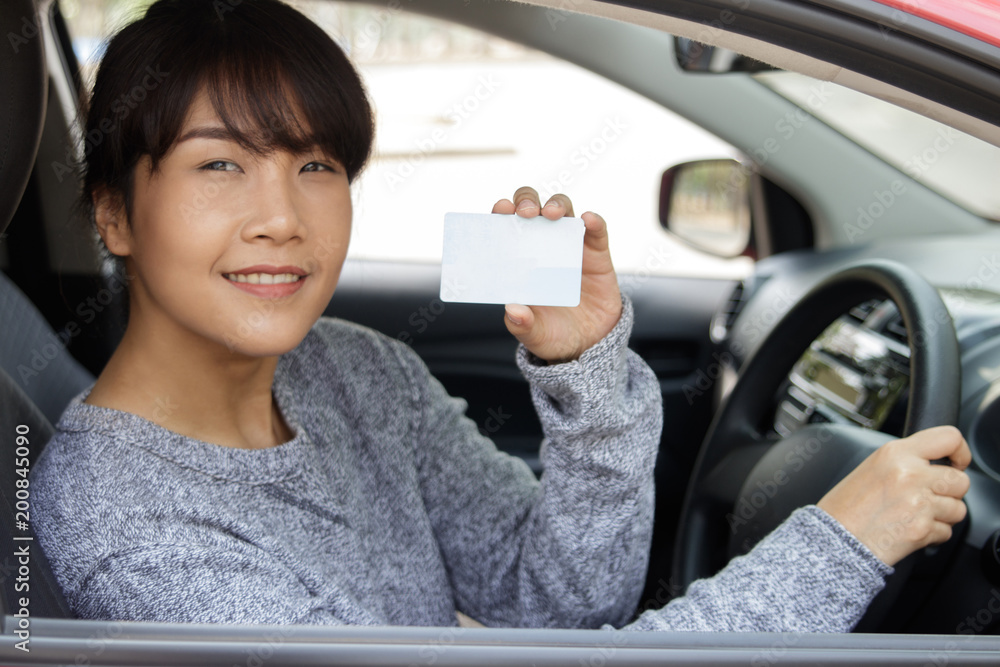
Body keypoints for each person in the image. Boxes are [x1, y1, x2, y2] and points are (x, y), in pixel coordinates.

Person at [31, 0, 970, 632]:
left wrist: (586, 373)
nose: (283, 218)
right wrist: (840, 541)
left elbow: (560, 606)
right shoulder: (122, 517)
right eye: (219, 163)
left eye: (317, 165)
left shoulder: (356, 370)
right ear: (114, 210)